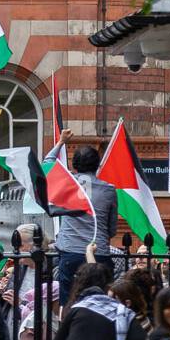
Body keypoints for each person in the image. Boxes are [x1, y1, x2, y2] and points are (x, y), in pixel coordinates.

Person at [45, 130, 118, 304]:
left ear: (74, 165)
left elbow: (47, 165)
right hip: (99, 251)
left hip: (71, 253)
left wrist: (61, 142)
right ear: (97, 165)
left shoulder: (68, 184)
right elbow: (112, 228)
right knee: (102, 301)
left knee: (69, 301)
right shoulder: (109, 189)